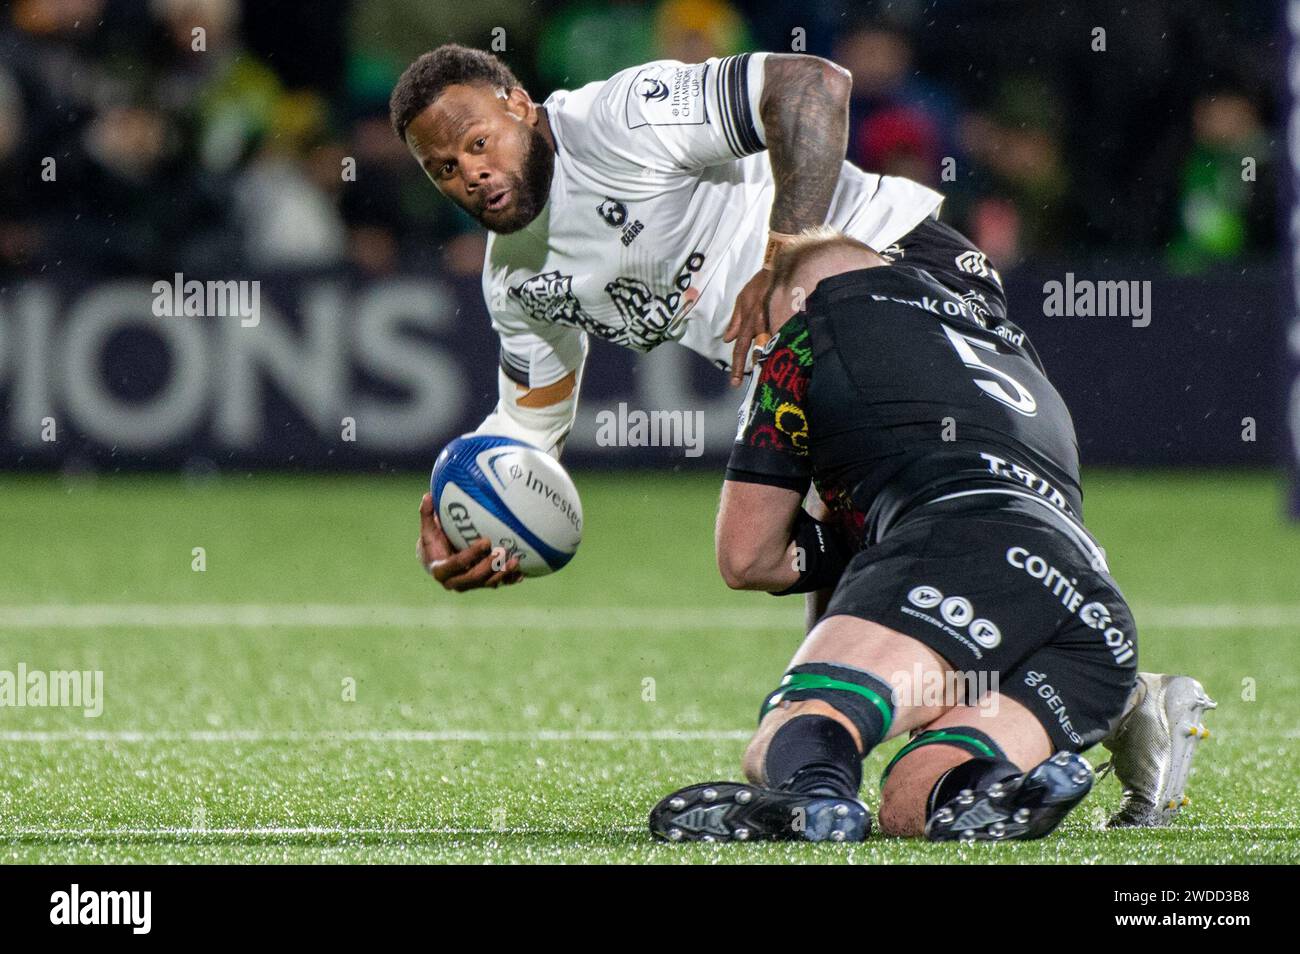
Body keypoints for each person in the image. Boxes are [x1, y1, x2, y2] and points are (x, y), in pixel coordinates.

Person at [392, 44, 1214, 828]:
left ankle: (914, 742)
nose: (472, 173)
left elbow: (811, 85)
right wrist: (468, 522)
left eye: (476, 142)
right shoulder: (519, 280)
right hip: (804, 360)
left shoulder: (616, 120)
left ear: (519, 106)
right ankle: (1088, 697)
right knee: (843, 570)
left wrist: (785, 252)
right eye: (443, 169)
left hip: (890, 265)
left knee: (857, 545)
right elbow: (523, 439)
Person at [648, 229, 1215, 842]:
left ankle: (813, 797)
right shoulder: (1009, 349)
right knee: (913, 803)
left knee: (812, 714)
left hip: (952, 542)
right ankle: (992, 794)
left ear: (797, 297)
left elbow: (748, 557)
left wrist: (836, 549)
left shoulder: (811, 329)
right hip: (1093, 613)